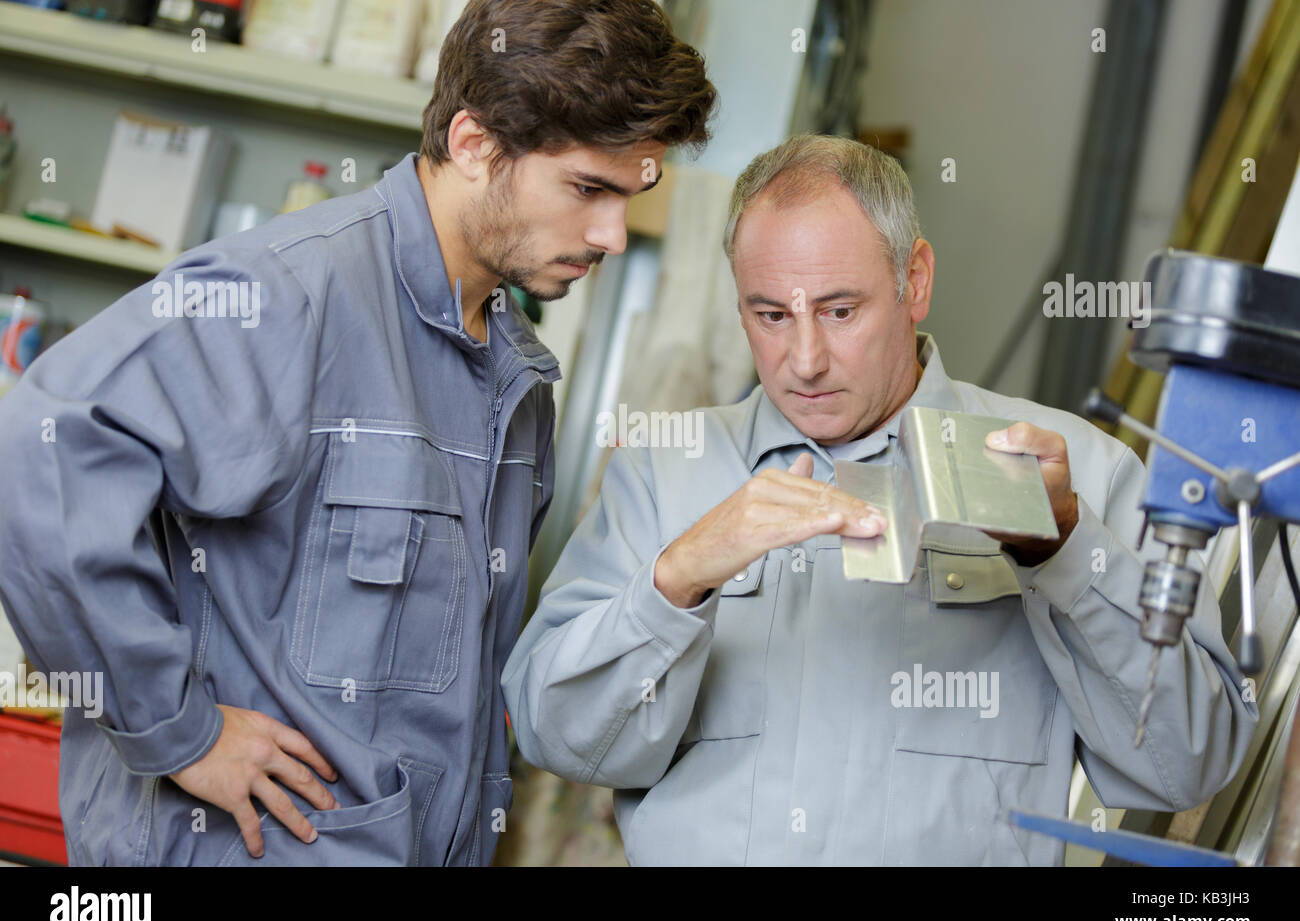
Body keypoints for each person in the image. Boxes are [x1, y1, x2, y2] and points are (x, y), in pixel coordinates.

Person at [0, 0, 714, 866]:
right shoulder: (285, 298)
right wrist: (178, 731)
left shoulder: (519, 383)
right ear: (475, 143)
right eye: (587, 190)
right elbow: (36, 452)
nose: (609, 234)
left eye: (627, 196)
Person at [502, 133, 1259, 865]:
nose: (804, 360)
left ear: (915, 281)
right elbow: (558, 737)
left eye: (839, 311)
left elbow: (1190, 761)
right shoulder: (665, 470)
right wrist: (678, 580)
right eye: (771, 315)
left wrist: (1064, 550)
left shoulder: (1076, 472)